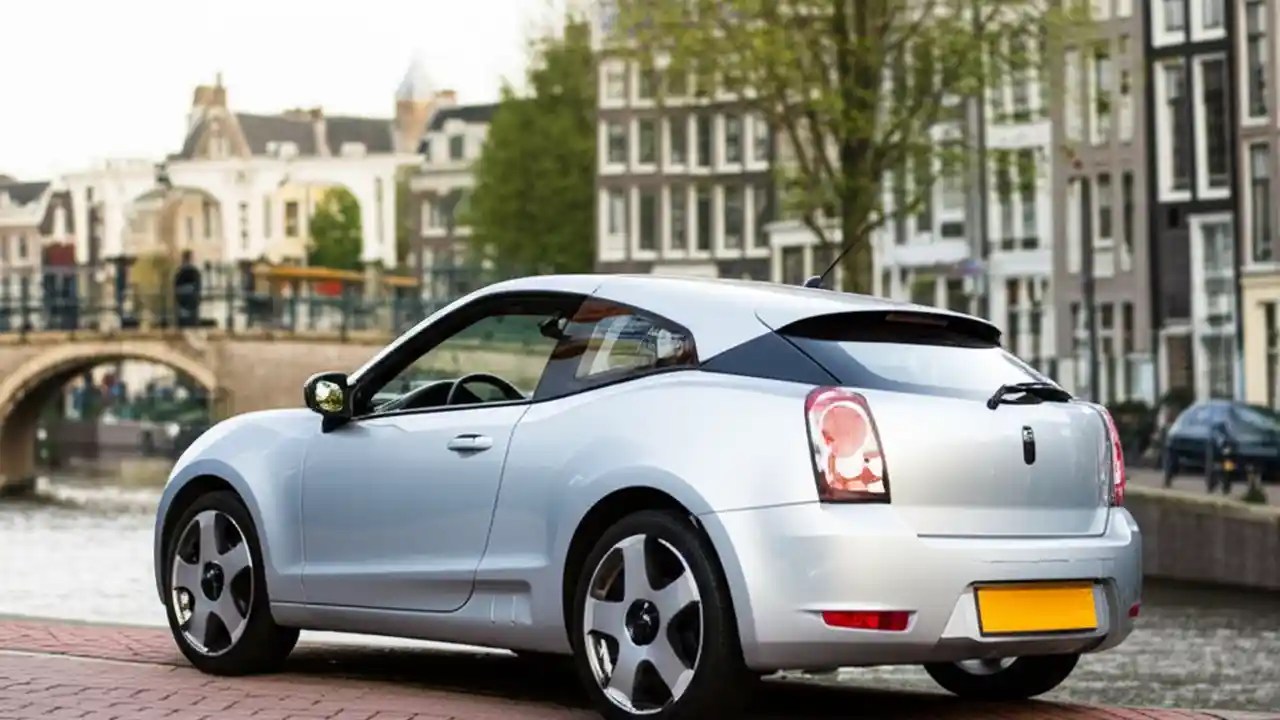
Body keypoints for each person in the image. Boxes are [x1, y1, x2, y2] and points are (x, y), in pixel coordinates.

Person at [173, 251, 202, 328]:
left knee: (185, 323)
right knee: (190, 323)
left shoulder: (180, 271)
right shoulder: (192, 271)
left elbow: (176, 287)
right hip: (189, 302)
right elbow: (198, 287)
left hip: (185, 302)